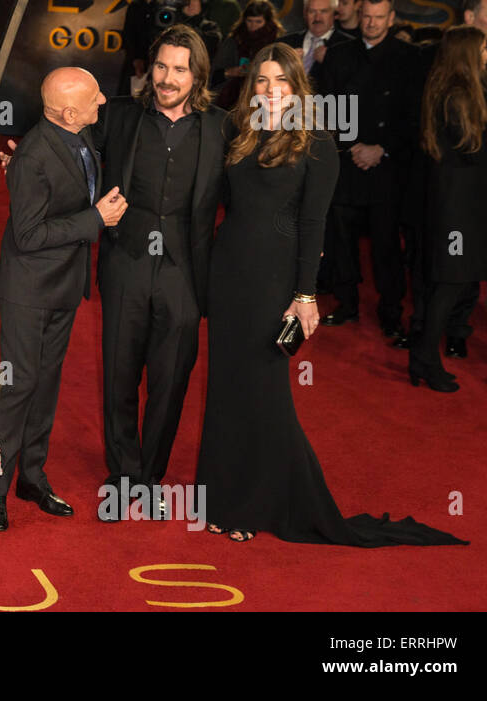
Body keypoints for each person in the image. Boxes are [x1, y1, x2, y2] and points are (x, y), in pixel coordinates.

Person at [196, 42, 466, 548]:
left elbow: (314, 225)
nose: (269, 90)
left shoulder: (314, 141)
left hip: (273, 281)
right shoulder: (239, 131)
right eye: (260, 80)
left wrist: (304, 296)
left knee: (265, 394)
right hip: (228, 271)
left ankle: (257, 504)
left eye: (279, 81)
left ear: (297, 87)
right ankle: (222, 499)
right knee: (226, 390)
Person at [91, 24, 228, 518]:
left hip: (185, 272)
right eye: (162, 66)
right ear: (150, 69)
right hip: (125, 261)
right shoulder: (120, 117)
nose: (168, 78)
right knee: (118, 375)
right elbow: (64, 133)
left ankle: (150, 476)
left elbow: (252, 191)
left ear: (198, 75)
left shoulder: (220, 127)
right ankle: (123, 471)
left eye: (180, 69)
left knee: (171, 381)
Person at [0, 68, 125, 532]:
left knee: (46, 386)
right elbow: (27, 235)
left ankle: (33, 477)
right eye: (93, 97)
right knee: (19, 387)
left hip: (63, 284)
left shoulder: (80, 136)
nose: (102, 100)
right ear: (67, 111)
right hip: (28, 290)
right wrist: (95, 219)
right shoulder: (34, 156)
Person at [315, 0, 421, 343]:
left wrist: (382, 148)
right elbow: (326, 107)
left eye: (379, 17)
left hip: (388, 168)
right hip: (346, 162)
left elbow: (414, 115)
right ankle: (346, 304)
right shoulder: (339, 55)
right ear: (359, 16)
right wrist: (353, 146)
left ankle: (391, 313)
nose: (372, 23)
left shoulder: (410, 58)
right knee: (341, 240)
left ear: (392, 19)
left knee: (386, 245)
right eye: (367, 16)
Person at [408, 26, 487, 392]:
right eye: (483, 50)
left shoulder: (454, 90)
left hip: (459, 204)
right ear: (468, 54)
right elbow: (475, 150)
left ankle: (423, 357)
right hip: (456, 209)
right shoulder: (456, 96)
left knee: (453, 282)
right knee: (449, 284)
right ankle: (424, 358)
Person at [210, 0, 282, 109]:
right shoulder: (234, 41)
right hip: (230, 100)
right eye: (249, 21)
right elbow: (213, 76)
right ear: (244, 20)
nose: (253, 26)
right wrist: (229, 72)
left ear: (267, 22)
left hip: (265, 101)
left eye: (258, 22)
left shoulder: (277, 43)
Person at [278, 0, 354, 88]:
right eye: (312, 11)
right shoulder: (284, 44)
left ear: (335, 13)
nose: (317, 18)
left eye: (324, 11)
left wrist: (330, 61)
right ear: (305, 13)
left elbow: (353, 89)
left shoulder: (350, 46)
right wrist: (287, 65)